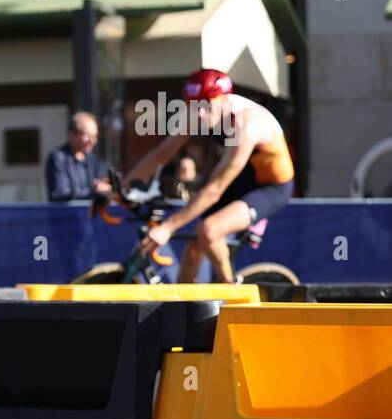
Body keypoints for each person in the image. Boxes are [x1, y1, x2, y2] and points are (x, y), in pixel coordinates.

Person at [122, 69, 294, 283]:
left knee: (209, 231)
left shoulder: (246, 123)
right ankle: (180, 307)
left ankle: (232, 294)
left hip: (270, 187)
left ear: (225, 100)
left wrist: (167, 227)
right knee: (194, 247)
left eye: (207, 106)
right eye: (194, 107)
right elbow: (161, 154)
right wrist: (121, 186)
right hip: (240, 179)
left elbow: (214, 191)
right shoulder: (201, 112)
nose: (200, 114)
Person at [44, 111, 109, 201]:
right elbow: (59, 193)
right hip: (66, 214)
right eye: (88, 135)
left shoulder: (91, 159)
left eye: (95, 136)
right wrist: (93, 192)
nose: (93, 141)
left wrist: (104, 186)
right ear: (71, 134)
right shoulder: (58, 158)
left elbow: (99, 183)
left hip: (89, 214)